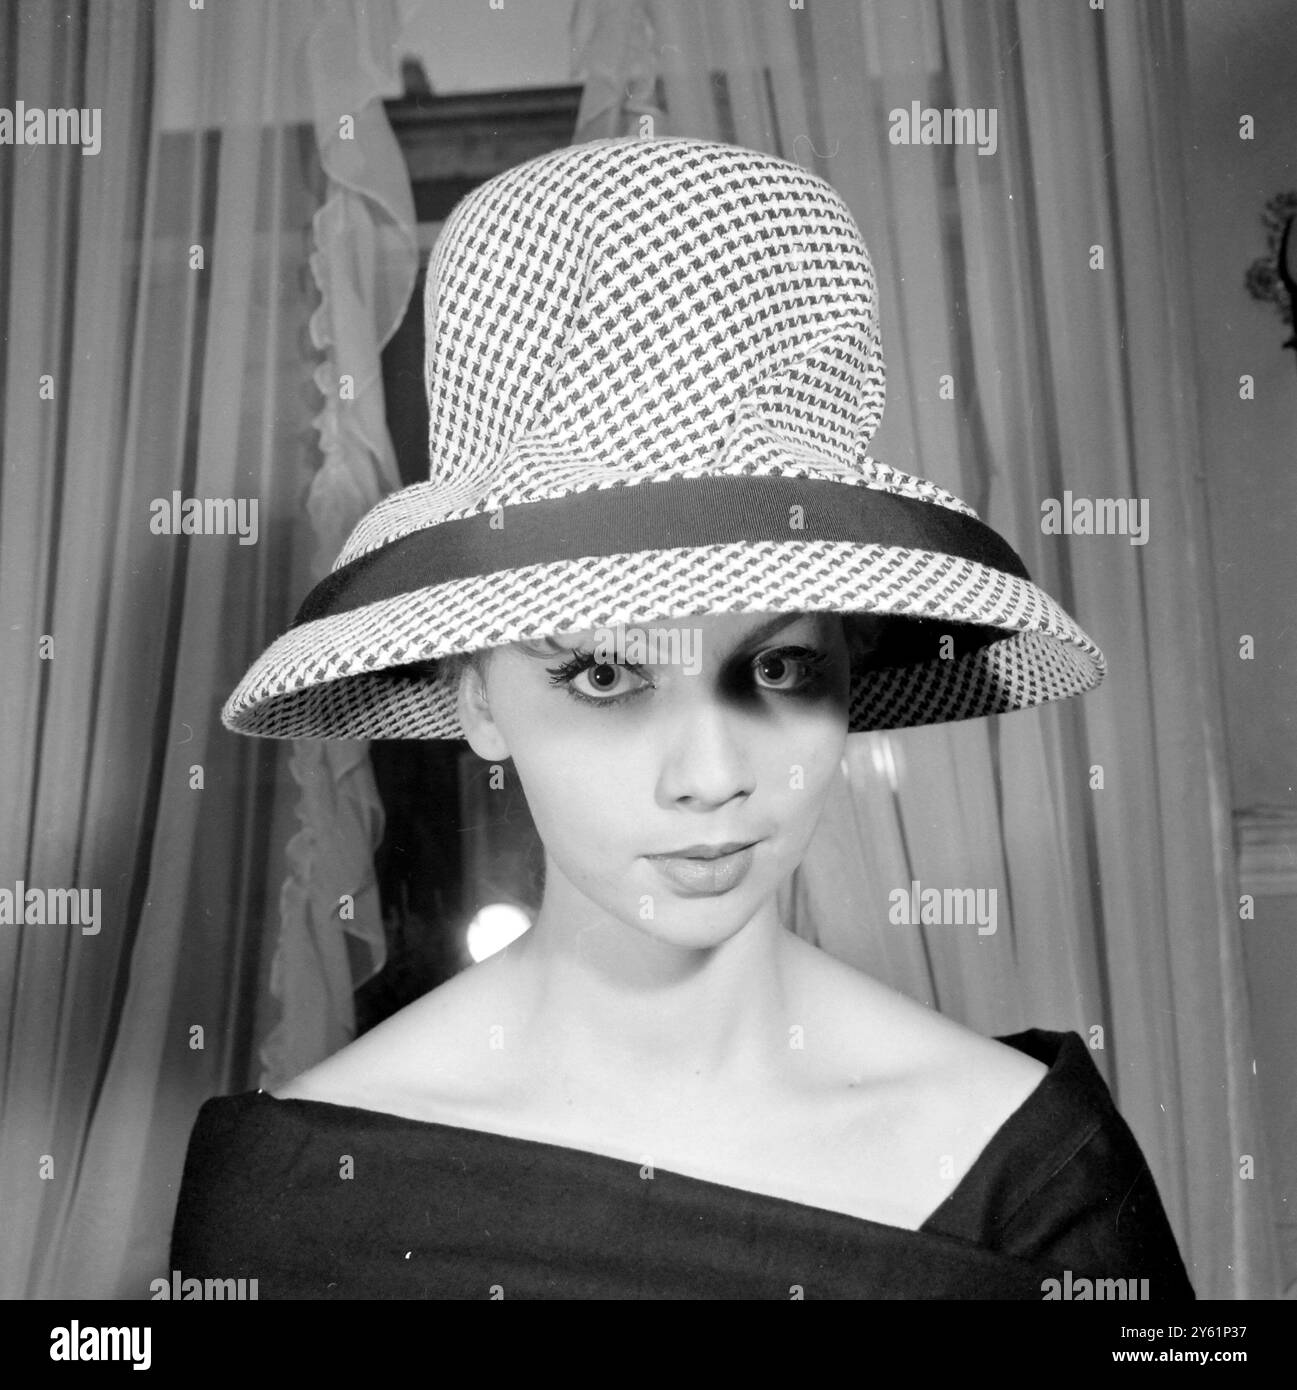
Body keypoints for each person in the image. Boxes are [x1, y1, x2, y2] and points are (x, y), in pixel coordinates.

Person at [170, 135, 1194, 1300]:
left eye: (781, 669)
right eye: (606, 676)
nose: (712, 776)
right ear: (471, 695)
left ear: (852, 671)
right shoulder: (295, 1198)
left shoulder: (1033, 1169)